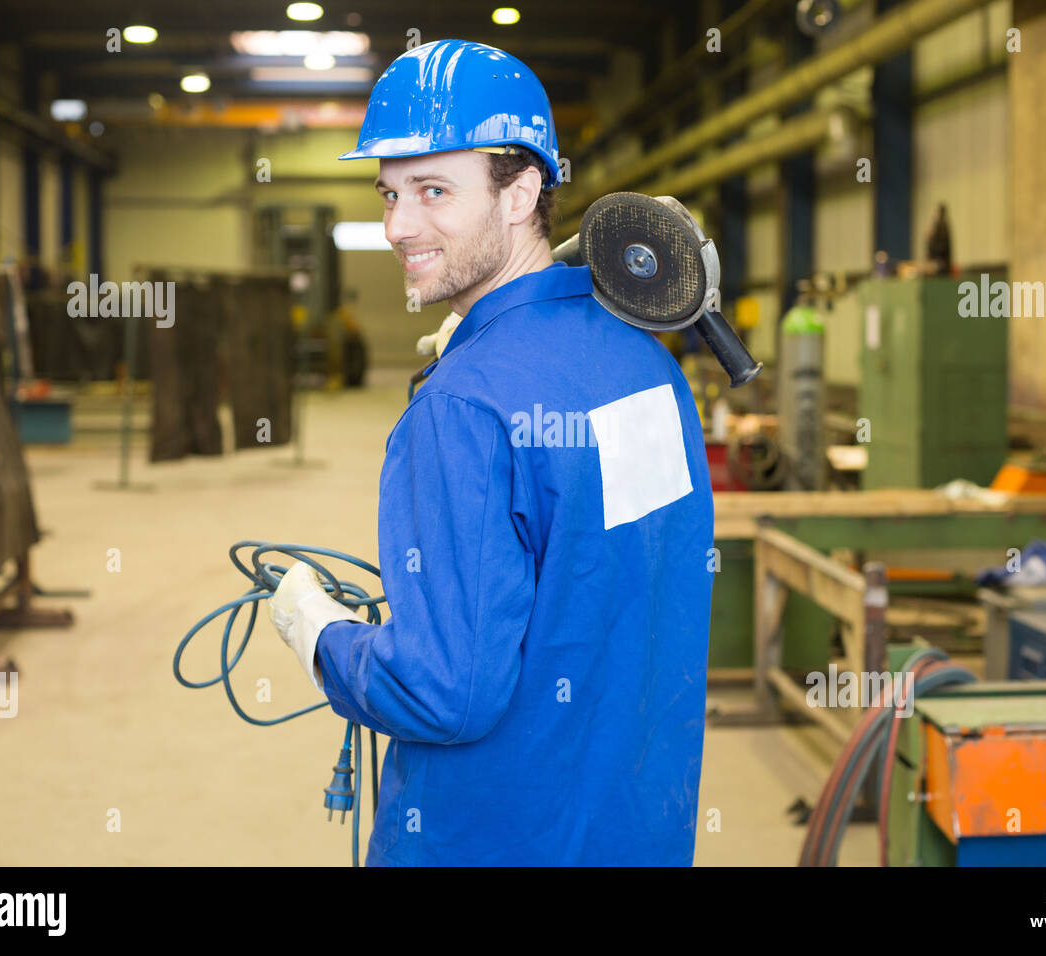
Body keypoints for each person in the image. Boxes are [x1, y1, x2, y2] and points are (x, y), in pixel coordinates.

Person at [268, 38, 714, 866]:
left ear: (522, 194)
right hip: (635, 827)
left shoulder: (464, 407)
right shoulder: (646, 365)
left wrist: (320, 634)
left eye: (434, 190)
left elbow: (447, 692)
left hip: (492, 835)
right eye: (391, 193)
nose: (400, 226)